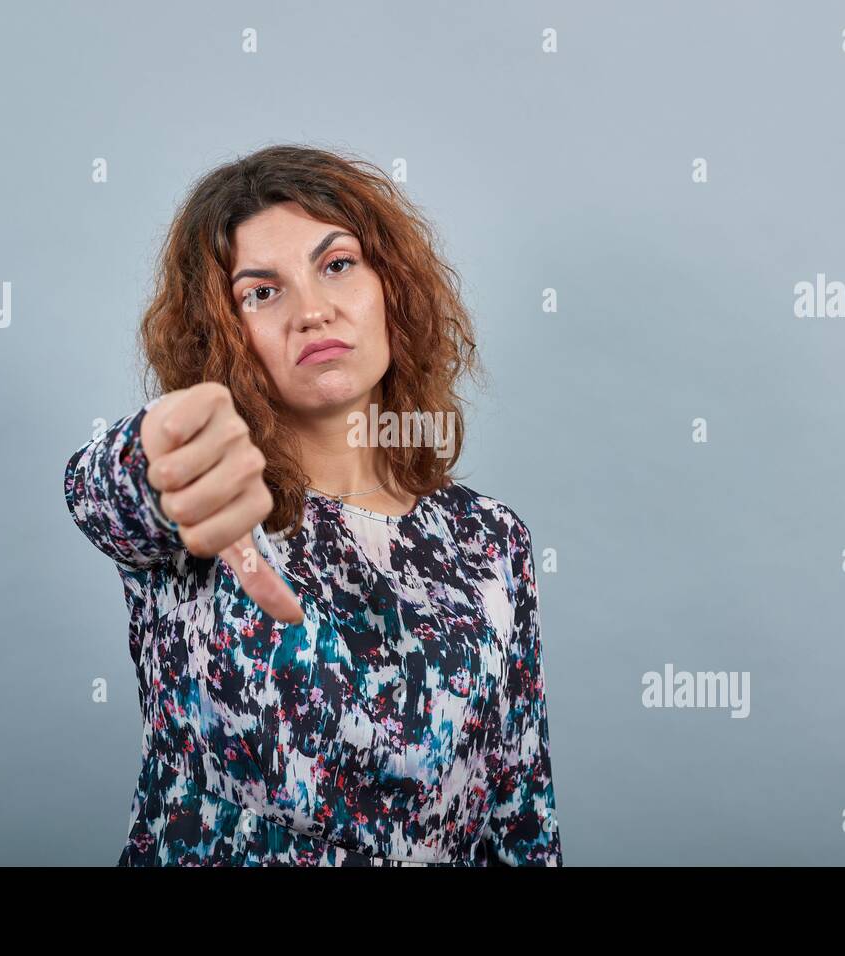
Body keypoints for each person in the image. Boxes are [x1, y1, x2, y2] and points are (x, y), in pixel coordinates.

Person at [63, 144, 562, 866]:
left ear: (392, 286)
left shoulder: (490, 539)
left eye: (337, 265)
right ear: (224, 334)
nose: (312, 311)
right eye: (261, 292)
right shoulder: (210, 518)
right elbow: (101, 493)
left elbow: (521, 810)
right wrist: (155, 454)